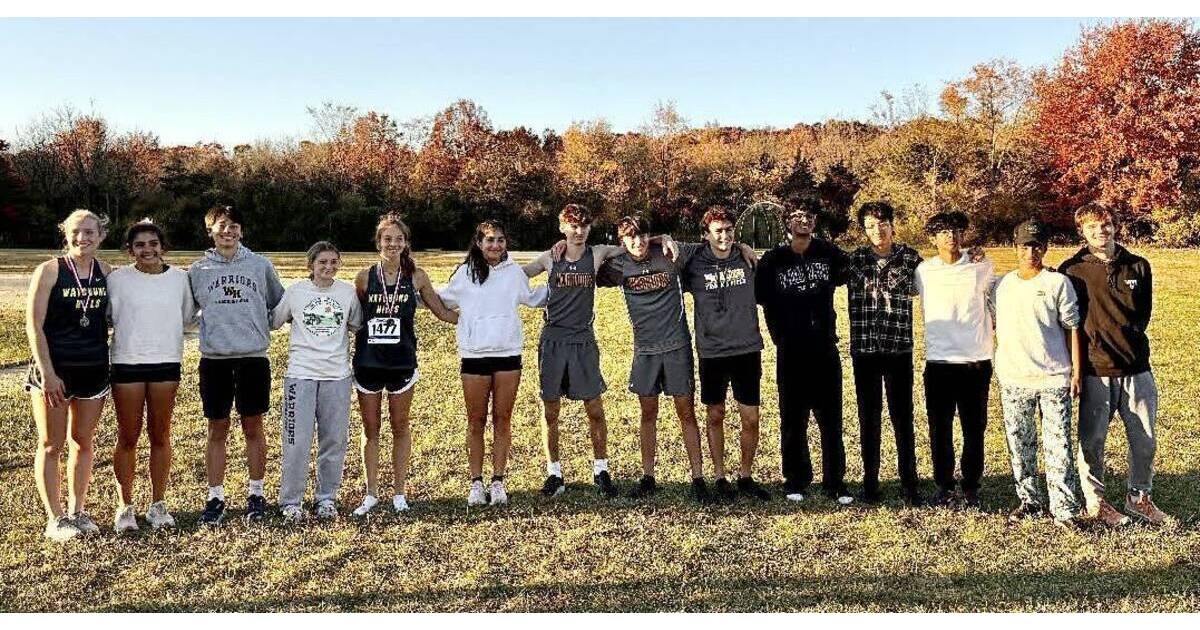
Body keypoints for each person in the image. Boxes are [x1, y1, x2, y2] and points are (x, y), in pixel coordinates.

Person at [1060, 204, 1166, 526]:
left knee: (1145, 439)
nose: (1100, 231)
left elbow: (1142, 315)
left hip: (1136, 368)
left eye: (1105, 224)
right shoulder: (1072, 271)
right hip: (1095, 370)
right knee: (1091, 442)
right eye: (1092, 227)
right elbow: (1069, 323)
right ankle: (1096, 503)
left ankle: (1139, 498)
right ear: (1083, 231)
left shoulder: (1138, 266)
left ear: (1115, 226)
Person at [597, 215, 713, 502]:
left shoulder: (670, 254)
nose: (637, 242)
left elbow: (708, 246)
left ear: (649, 235)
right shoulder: (619, 264)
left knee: (686, 412)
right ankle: (648, 476)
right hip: (645, 350)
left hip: (676, 347)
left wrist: (665, 238)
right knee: (648, 413)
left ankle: (698, 477)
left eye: (642, 235)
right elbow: (590, 262)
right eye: (630, 238)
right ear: (622, 241)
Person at [350, 214, 458, 516]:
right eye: (387, 239)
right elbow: (353, 320)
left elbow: (441, 311)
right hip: (368, 363)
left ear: (406, 243)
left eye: (398, 239)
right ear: (378, 243)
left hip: (402, 363)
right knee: (371, 430)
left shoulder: (417, 276)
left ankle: (399, 492)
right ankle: (371, 494)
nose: (393, 244)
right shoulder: (363, 277)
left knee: (400, 426)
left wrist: (482, 319)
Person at [439, 219, 547, 506]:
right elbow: (440, 301)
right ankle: (476, 483)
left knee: (503, 419)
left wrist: (560, 278)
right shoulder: (464, 274)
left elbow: (534, 299)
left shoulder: (514, 274)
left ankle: (498, 481)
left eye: (500, 239)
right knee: (476, 421)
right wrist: (415, 292)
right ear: (479, 243)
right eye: (489, 240)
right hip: (474, 355)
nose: (495, 245)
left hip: (508, 355)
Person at [189, 204, 285, 525]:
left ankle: (256, 494)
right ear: (210, 230)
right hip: (214, 361)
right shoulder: (198, 271)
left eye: (234, 226)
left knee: (253, 427)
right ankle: (215, 497)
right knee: (217, 428)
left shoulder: (259, 265)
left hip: (252, 358)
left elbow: (278, 306)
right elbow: (187, 314)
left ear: (241, 231)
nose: (227, 231)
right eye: (221, 225)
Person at [522, 204, 625, 498]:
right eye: (573, 226)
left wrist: (663, 239)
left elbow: (634, 244)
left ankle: (601, 469)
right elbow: (516, 277)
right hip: (553, 340)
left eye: (583, 226)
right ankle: (554, 473)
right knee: (550, 410)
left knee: (594, 407)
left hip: (583, 341)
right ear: (562, 228)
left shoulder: (597, 254)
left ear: (589, 228)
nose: (578, 232)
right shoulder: (549, 258)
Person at [755, 203, 854, 504]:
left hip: (824, 347)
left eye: (809, 216)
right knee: (793, 418)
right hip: (791, 349)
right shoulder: (773, 260)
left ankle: (834, 481)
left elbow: (854, 267)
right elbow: (763, 298)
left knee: (831, 419)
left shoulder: (829, 253)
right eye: (796, 216)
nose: (803, 221)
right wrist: (780, 335)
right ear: (786, 221)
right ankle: (796, 478)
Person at [25, 209, 112, 541]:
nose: (83, 237)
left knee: (83, 441)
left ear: (101, 236)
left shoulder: (106, 271)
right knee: (51, 444)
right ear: (66, 232)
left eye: (90, 232)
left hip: (93, 369)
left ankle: (77, 510)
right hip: (55, 371)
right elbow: (34, 325)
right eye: (76, 231)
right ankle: (55, 518)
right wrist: (47, 373)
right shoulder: (49, 271)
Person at [994, 220, 1084, 527]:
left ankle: (1065, 510)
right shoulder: (1003, 285)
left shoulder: (1058, 283)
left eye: (1036, 245)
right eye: (1024, 246)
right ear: (1015, 248)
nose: (1030, 251)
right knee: (1020, 445)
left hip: (1053, 378)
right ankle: (1029, 501)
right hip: (1014, 378)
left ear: (1044, 248)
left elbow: (1073, 329)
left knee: (1058, 445)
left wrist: (1075, 373)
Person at [677, 206, 770, 502]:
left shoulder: (746, 259)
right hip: (712, 351)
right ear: (706, 235)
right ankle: (719, 476)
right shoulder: (694, 261)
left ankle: (745, 476)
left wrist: (743, 246)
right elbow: (657, 244)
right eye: (718, 230)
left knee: (750, 418)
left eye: (729, 230)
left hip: (746, 348)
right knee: (715, 413)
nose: (725, 235)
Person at [107, 219, 194, 532]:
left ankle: (158, 504)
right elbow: (108, 316)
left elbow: (187, 316)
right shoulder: (117, 279)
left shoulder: (180, 279)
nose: (147, 250)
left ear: (163, 247)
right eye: (140, 245)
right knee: (128, 435)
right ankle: (125, 506)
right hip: (127, 363)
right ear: (130, 250)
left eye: (153, 244)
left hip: (166, 362)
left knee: (160, 434)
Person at [271, 242, 362, 523]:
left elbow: (356, 324)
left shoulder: (347, 293)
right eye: (322, 262)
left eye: (334, 262)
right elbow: (276, 320)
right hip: (301, 375)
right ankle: (291, 501)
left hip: (337, 375)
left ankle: (326, 499)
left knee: (333, 440)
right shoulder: (297, 291)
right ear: (311, 265)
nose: (328, 267)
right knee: (297, 441)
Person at [913, 210, 996, 509]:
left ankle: (971, 485)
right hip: (939, 363)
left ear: (964, 235)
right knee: (940, 429)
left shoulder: (981, 266)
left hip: (976, 361)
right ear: (933, 238)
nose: (951, 236)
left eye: (956, 230)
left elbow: (997, 300)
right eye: (943, 231)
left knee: (975, 428)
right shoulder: (922, 271)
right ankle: (944, 486)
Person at [844, 202, 924, 506]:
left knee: (902, 417)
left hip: (897, 349)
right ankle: (870, 481)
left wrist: (974, 256)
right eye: (871, 225)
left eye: (883, 223)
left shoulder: (911, 259)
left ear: (892, 224)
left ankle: (909, 482)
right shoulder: (854, 261)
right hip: (864, 351)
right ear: (864, 230)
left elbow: (942, 275)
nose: (878, 230)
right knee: (869, 417)